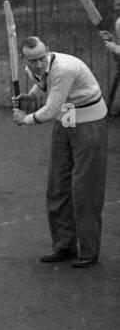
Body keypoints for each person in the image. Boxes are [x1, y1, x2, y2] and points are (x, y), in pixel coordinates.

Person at [14, 38, 108, 268]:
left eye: (40, 59)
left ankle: (88, 251)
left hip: (89, 119)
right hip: (67, 116)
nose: (37, 64)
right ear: (24, 58)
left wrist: (24, 119)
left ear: (47, 52)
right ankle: (64, 245)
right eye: (31, 60)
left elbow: (50, 110)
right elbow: (43, 83)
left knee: (85, 188)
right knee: (57, 184)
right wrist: (32, 96)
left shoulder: (64, 69)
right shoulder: (33, 68)